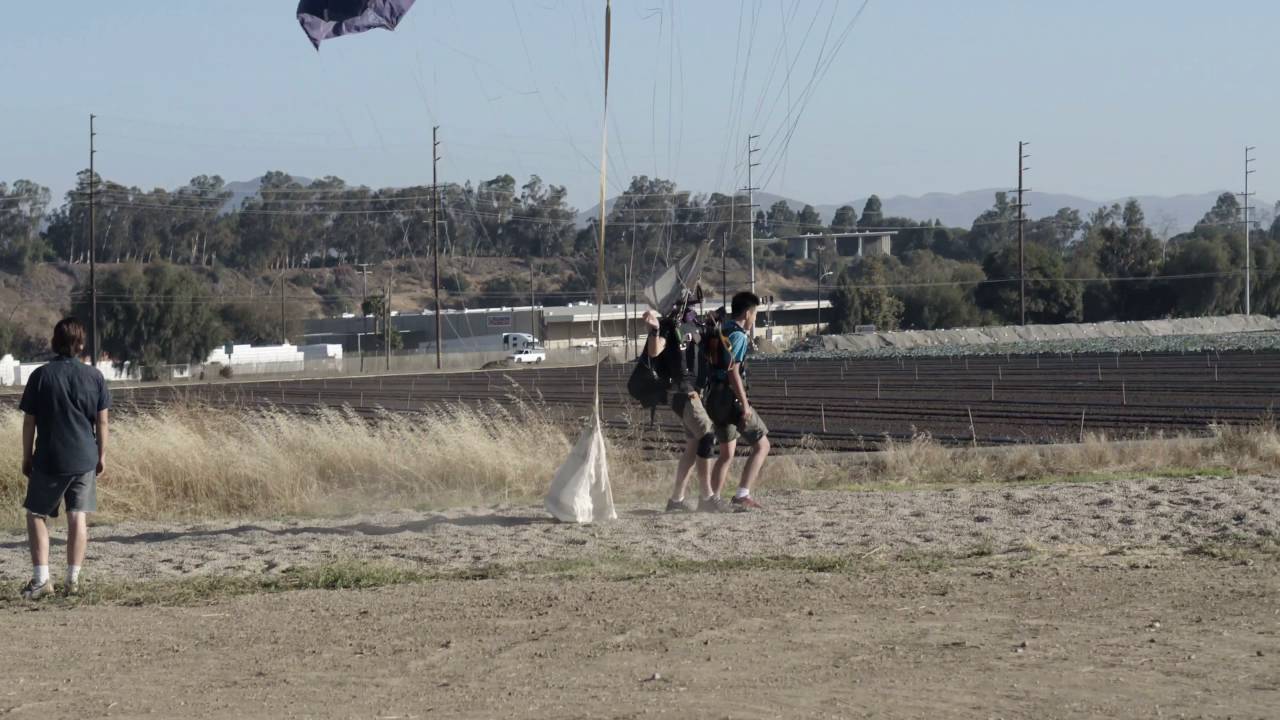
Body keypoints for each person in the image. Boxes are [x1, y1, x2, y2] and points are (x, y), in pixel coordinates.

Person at [19, 318, 110, 599]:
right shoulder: (94, 377)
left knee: (36, 514)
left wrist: (27, 456)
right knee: (77, 517)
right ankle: (73, 581)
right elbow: (103, 423)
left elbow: (29, 423)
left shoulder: (41, 376)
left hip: (49, 456)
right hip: (84, 456)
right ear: (81, 344)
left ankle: (41, 579)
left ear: (55, 342)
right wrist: (101, 455)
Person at [644, 302, 730, 513]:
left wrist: (717, 324)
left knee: (692, 447)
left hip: (695, 394)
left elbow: (720, 354)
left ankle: (676, 500)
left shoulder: (695, 323)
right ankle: (707, 496)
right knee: (708, 435)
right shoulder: (668, 324)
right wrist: (654, 329)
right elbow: (655, 351)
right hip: (683, 393)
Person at [705, 292, 770, 511]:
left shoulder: (722, 329)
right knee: (762, 445)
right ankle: (742, 494)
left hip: (714, 397)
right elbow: (734, 372)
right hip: (731, 399)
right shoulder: (739, 336)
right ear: (748, 313)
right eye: (755, 315)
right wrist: (744, 405)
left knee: (726, 454)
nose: (755, 320)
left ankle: (712, 499)